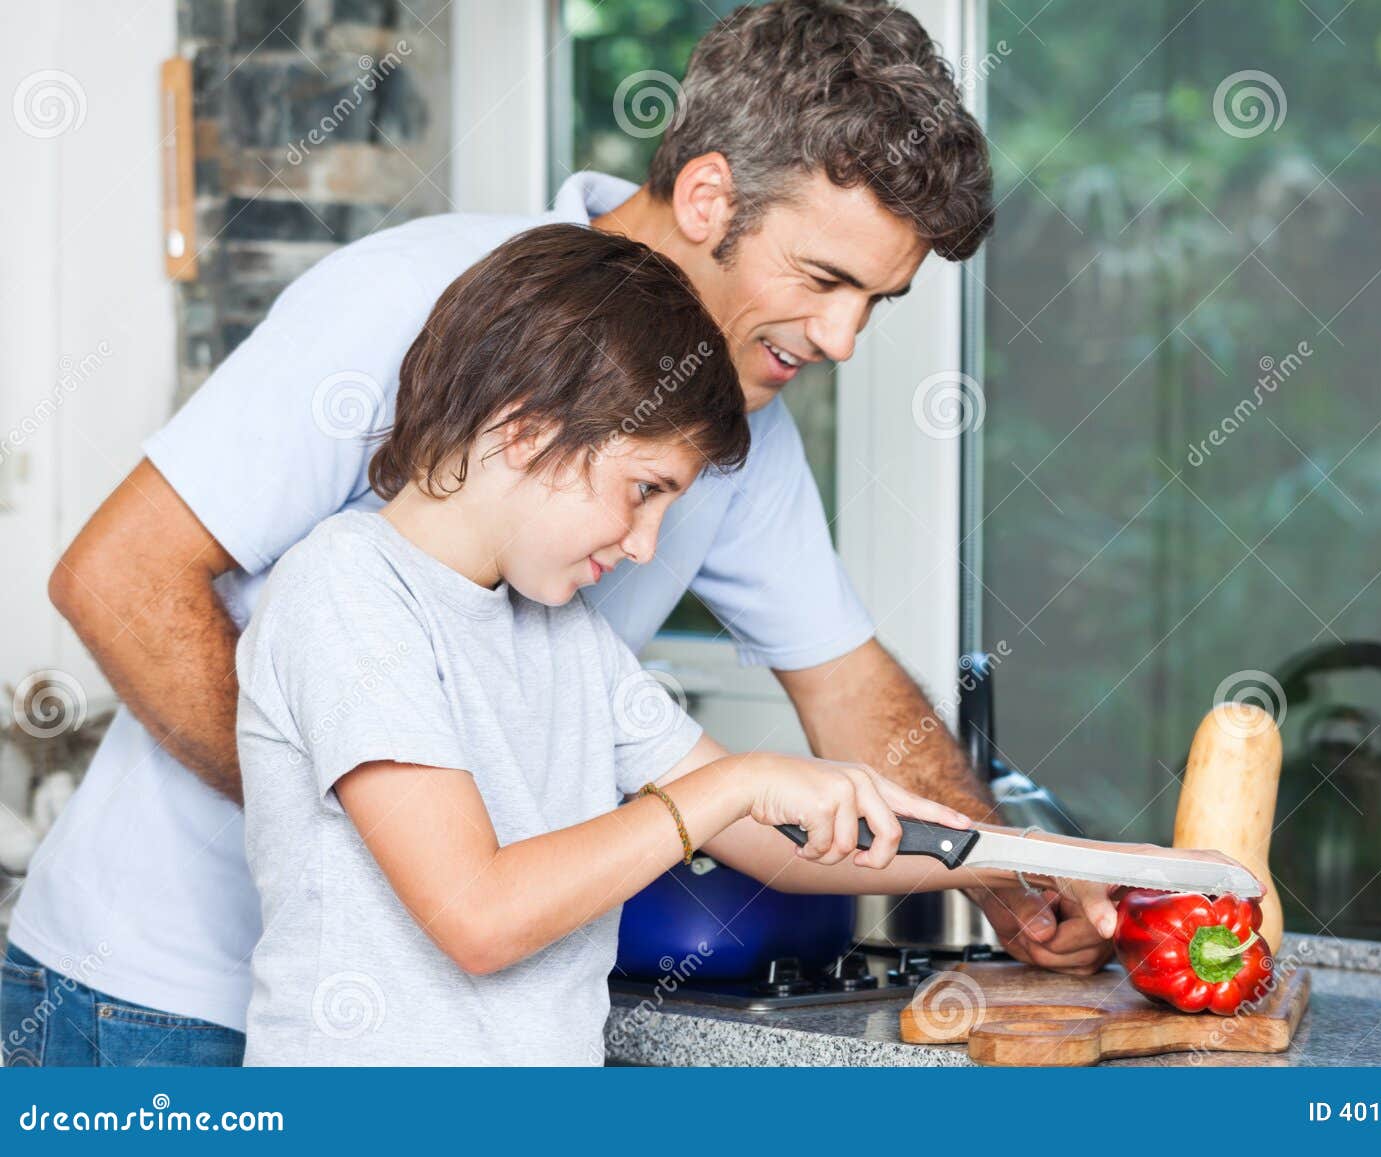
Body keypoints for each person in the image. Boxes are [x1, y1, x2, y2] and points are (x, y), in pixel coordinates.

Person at [4, 0, 1110, 1067]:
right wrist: (398, 830)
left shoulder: (735, 431)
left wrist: (1004, 878)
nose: (842, 338)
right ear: (709, 196)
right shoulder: (418, 299)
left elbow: (847, 690)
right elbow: (118, 576)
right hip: (157, 989)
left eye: (879, 300)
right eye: (824, 279)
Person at [239, 223, 1192, 1065]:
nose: (648, 544)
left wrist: (1016, 856)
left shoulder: (564, 635)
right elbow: (479, 917)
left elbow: (771, 843)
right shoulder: (348, 591)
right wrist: (734, 782)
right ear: (524, 433)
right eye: (645, 488)